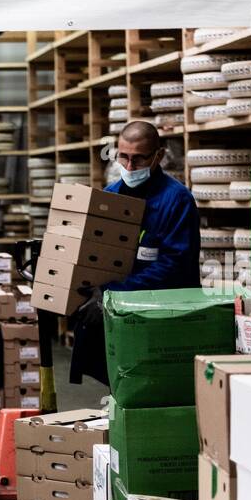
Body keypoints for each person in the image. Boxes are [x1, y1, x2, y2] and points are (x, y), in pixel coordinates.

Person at [68, 120, 201, 385]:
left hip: (163, 314)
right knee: (119, 382)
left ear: (158, 156)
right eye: (123, 158)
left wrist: (114, 292)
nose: (129, 168)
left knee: (157, 386)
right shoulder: (110, 197)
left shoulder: (177, 200)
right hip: (122, 313)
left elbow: (174, 266)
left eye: (139, 160)